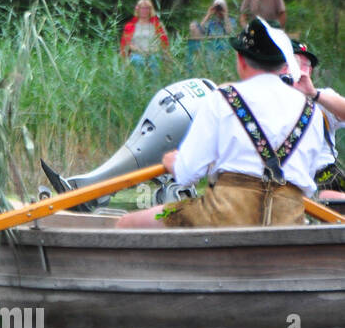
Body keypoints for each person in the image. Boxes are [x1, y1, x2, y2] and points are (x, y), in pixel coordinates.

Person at [116, 19, 334, 228]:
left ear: (240, 59)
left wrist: (173, 162)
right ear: (284, 64)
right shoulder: (312, 111)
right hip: (287, 218)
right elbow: (306, 179)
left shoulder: (223, 98)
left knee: (127, 224)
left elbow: (186, 174)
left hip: (224, 215)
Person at [290, 41, 345, 198]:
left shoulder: (323, 97)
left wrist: (314, 94)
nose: (300, 70)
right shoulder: (268, 99)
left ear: (311, 71)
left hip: (323, 177)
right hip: (284, 179)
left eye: (305, 65)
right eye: (294, 62)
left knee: (332, 197)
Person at [119, 0, 169, 69]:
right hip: (136, 54)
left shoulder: (157, 25)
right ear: (137, 9)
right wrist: (139, 50)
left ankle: (155, 79)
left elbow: (163, 42)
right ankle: (139, 80)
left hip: (154, 53)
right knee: (138, 60)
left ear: (150, 10)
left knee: (154, 60)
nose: (144, 11)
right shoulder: (130, 26)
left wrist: (153, 51)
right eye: (142, 8)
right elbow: (126, 43)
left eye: (147, 8)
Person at [187, 0, 236, 65]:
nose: (219, 9)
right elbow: (199, 31)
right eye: (217, 7)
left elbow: (230, 32)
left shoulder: (231, 21)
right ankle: (197, 56)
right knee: (193, 25)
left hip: (224, 48)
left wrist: (225, 15)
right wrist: (208, 15)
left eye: (221, 7)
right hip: (210, 48)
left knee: (212, 56)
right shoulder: (211, 22)